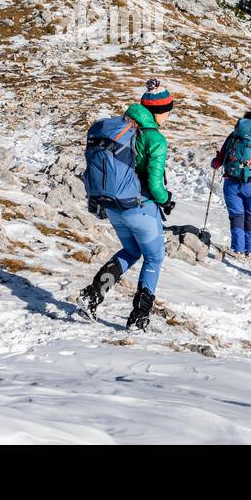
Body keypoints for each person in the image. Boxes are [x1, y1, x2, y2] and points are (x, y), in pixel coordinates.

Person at [77, 79, 175, 331]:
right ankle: (139, 317)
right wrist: (166, 200)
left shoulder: (123, 127)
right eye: (167, 111)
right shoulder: (155, 139)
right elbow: (154, 183)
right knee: (154, 257)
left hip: (114, 206)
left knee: (131, 251)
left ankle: (93, 294)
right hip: (139, 207)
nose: (167, 117)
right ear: (158, 111)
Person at [210, 107, 251, 258]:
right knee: (250, 215)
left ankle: (237, 249)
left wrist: (215, 163)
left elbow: (220, 159)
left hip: (231, 182)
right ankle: (250, 251)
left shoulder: (235, 135)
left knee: (236, 215)